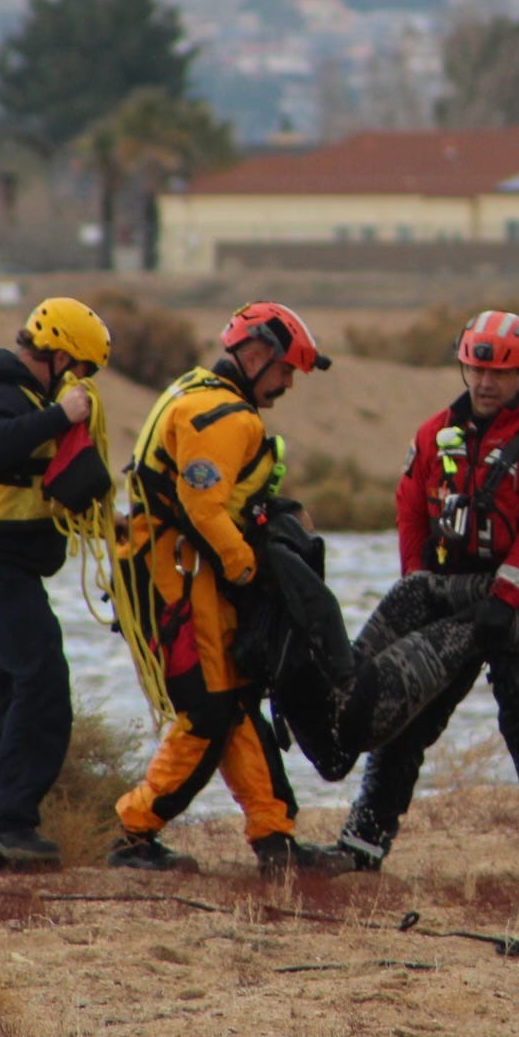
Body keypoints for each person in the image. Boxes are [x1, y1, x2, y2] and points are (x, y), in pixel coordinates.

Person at [324, 309, 519, 881]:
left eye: (500, 372)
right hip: (452, 592)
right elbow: (410, 512)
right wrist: (418, 587)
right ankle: (360, 848)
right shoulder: (433, 434)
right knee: (407, 720)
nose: (485, 383)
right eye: (475, 369)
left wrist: (508, 593)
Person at [110, 300, 332, 873]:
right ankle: (133, 833)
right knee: (210, 709)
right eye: (285, 371)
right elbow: (203, 509)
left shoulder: (192, 388)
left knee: (234, 700)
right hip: (177, 579)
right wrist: (249, 571)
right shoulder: (229, 417)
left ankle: (274, 836)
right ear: (255, 355)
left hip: (171, 571)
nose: (287, 384)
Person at [0, 297, 115, 871]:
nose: (82, 383)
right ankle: (10, 823)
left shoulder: (25, 398)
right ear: (59, 356)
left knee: (10, 695)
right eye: (81, 369)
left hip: (4, 570)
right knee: (41, 680)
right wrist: (65, 416)